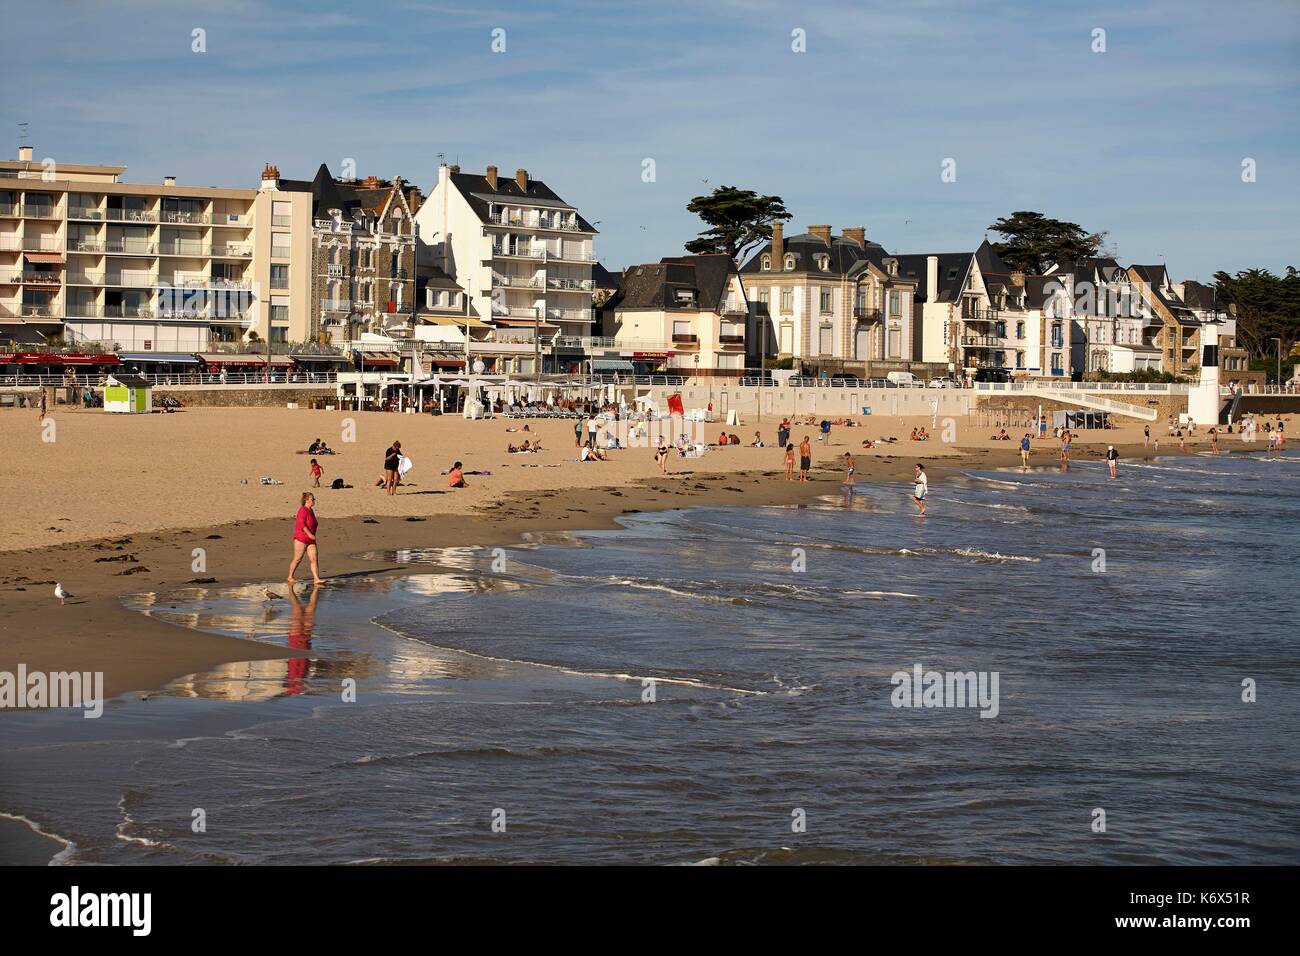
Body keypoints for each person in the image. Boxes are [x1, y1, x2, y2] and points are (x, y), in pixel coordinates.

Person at [287, 492, 324, 585]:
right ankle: (290, 576)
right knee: (297, 558)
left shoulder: (311, 510)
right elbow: (301, 524)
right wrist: (309, 534)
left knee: (314, 558)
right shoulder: (303, 510)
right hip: (301, 537)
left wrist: (312, 536)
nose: (314, 500)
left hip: (311, 540)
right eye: (312, 499)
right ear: (306, 500)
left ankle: (316, 578)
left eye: (314, 499)